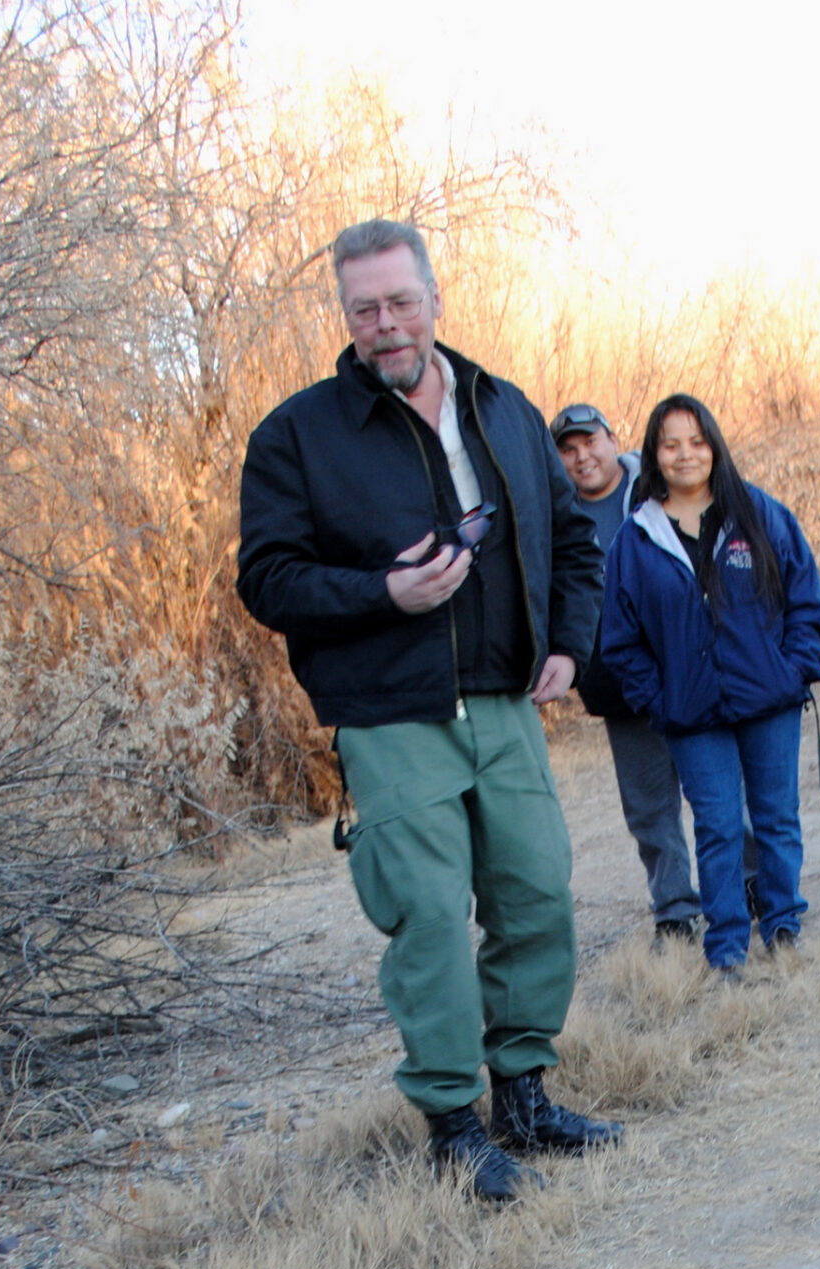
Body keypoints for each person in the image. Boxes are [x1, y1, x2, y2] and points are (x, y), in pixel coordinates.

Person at [236, 218, 620, 1203]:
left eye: (401, 301)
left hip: (504, 702)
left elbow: (574, 542)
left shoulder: (506, 408)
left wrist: (565, 645)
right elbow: (268, 580)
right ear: (345, 315)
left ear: (434, 296)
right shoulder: (297, 435)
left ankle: (524, 1095)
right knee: (430, 924)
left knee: (536, 890)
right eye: (363, 308)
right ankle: (454, 1124)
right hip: (389, 711)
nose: (385, 324)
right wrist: (381, 593)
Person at [600, 395, 820, 970]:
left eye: (697, 441)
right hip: (692, 715)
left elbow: (807, 602)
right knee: (719, 827)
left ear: (715, 446)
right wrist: (660, 700)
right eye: (671, 444)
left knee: (776, 818)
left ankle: (782, 929)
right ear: (654, 453)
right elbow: (621, 642)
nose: (685, 455)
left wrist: (791, 669)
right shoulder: (636, 538)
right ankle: (726, 945)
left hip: (769, 702)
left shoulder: (760, 514)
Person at [549, 401, 703, 937]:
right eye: (567, 450)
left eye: (590, 441)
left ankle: (748, 884)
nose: (582, 456)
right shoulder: (555, 517)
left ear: (613, 438)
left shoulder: (661, 491)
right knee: (649, 809)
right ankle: (675, 909)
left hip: (688, 672)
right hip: (618, 686)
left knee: (717, 789)